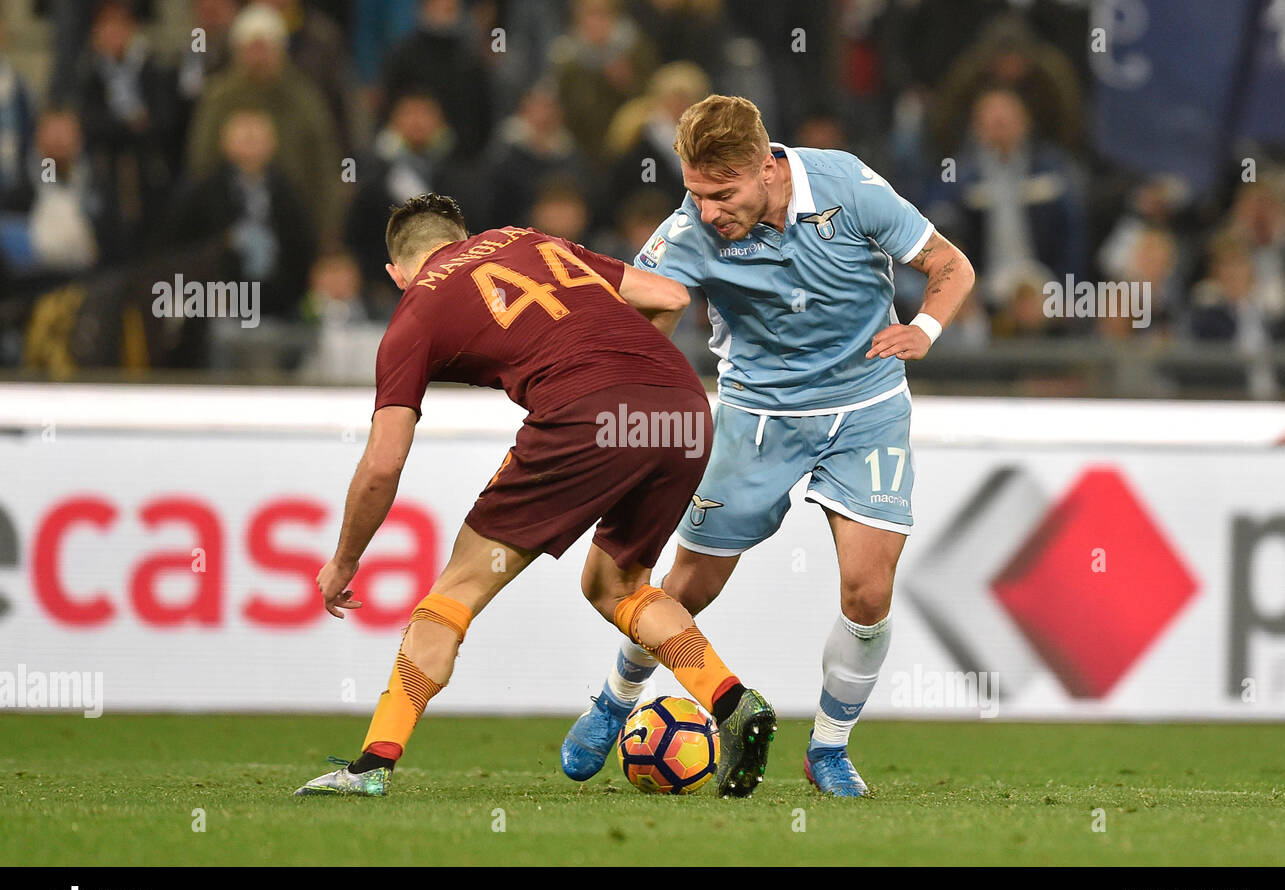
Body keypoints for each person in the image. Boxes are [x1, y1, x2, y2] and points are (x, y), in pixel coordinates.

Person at [295, 193, 777, 798]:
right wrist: (631, 387)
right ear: (463, 237)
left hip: (586, 414)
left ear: (397, 273)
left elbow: (382, 463)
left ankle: (372, 764)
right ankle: (732, 702)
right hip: (681, 409)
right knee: (618, 586)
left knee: (456, 591)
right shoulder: (528, 241)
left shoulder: (415, 311)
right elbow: (671, 296)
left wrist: (344, 560)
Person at [560, 94, 975, 796]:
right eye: (695, 192)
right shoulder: (688, 230)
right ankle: (615, 699)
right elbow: (636, 324)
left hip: (866, 409)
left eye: (722, 195)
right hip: (758, 416)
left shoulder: (847, 185)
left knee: (869, 592)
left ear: (768, 167)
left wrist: (925, 330)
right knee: (688, 587)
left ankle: (830, 749)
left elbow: (951, 265)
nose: (707, 211)